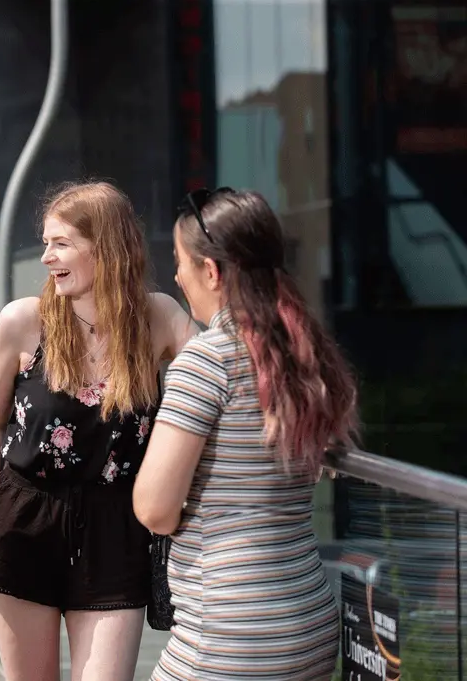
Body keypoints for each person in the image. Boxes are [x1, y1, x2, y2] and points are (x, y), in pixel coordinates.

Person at [0, 181, 199, 680]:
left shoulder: (158, 316)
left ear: (107, 247)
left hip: (117, 531)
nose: (46, 257)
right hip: (23, 525)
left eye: (61, 243)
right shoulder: (22, 321)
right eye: (46, 243)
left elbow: (217, 373)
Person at [135, 188, 357, 680]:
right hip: (310, 622)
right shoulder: (303, 355)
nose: (177, 277)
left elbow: (153, 508)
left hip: (229, 634)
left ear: (211, 272)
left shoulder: (206, 360)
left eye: (180, 263)